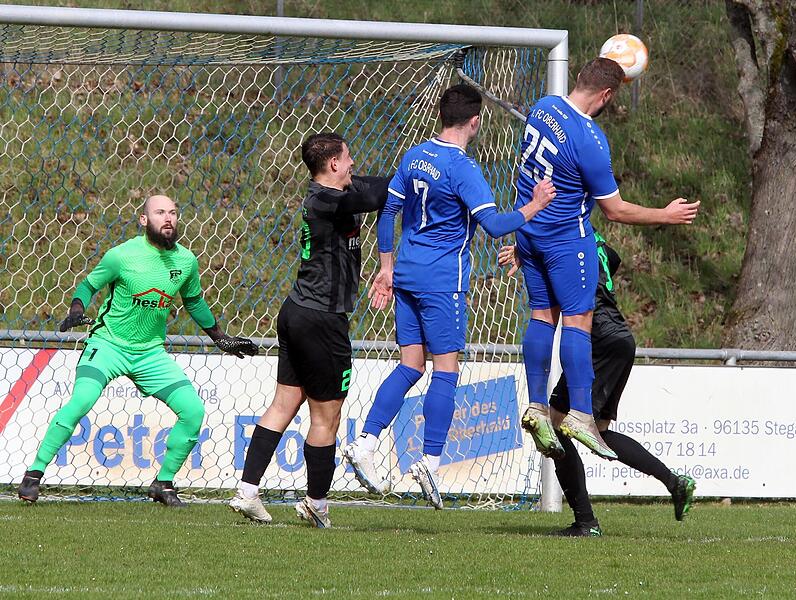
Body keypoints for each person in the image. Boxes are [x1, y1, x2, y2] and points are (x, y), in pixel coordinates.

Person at [343, 83, 556, 509]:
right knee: (446, 370)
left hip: (405, 273)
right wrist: (534, 206)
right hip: (443, 281)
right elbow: (496, 226)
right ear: (475, 121)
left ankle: (365, 443)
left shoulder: (414, 155)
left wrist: (385, 268)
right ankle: (430, 462)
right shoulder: (464, 169)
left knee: (410, 365)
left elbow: (388, 212)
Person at [18, 195, 258, 507]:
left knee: (193, 411)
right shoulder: (122, 256)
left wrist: (220, 337)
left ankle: (164, 483)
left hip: (150, 354)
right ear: (144, 220)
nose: (168, 218)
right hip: (108, 346)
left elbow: (194, 302)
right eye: (159, 212)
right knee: (81, 401)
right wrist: (77, 308)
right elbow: (88, 286)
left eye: (173, 212)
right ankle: (33, 476)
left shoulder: (185, 261)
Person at [513, 57, 699, 461]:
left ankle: (535, 405)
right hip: (565, 240)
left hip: (527, 232)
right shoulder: (591, 139)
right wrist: (665, 216)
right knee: (578, 321)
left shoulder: (542, 107)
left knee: (542, 317)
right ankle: (581, 414)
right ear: (608, 94)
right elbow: (614, 210)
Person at [229, 132, 389, 528]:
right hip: (321, 319)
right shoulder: (325, 199)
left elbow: (370, 187)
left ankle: (247, 492)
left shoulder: (332, 193)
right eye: (349, 158)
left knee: (283, 405)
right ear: (333, 164)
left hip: (299, 313)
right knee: (326, 418)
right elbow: (371, 197)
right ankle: (317, 503)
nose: (354, 164)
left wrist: (406, 177)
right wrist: (417, 173)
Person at [499, 233, 696, 536]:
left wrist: (525, 253)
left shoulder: (559, 237)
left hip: (596, 338)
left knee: (552, 423)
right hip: (621, 338)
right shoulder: (592, 238)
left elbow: (550, 270)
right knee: (597, 430)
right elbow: (612, 259)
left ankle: (585, 522)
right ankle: (674, 483)